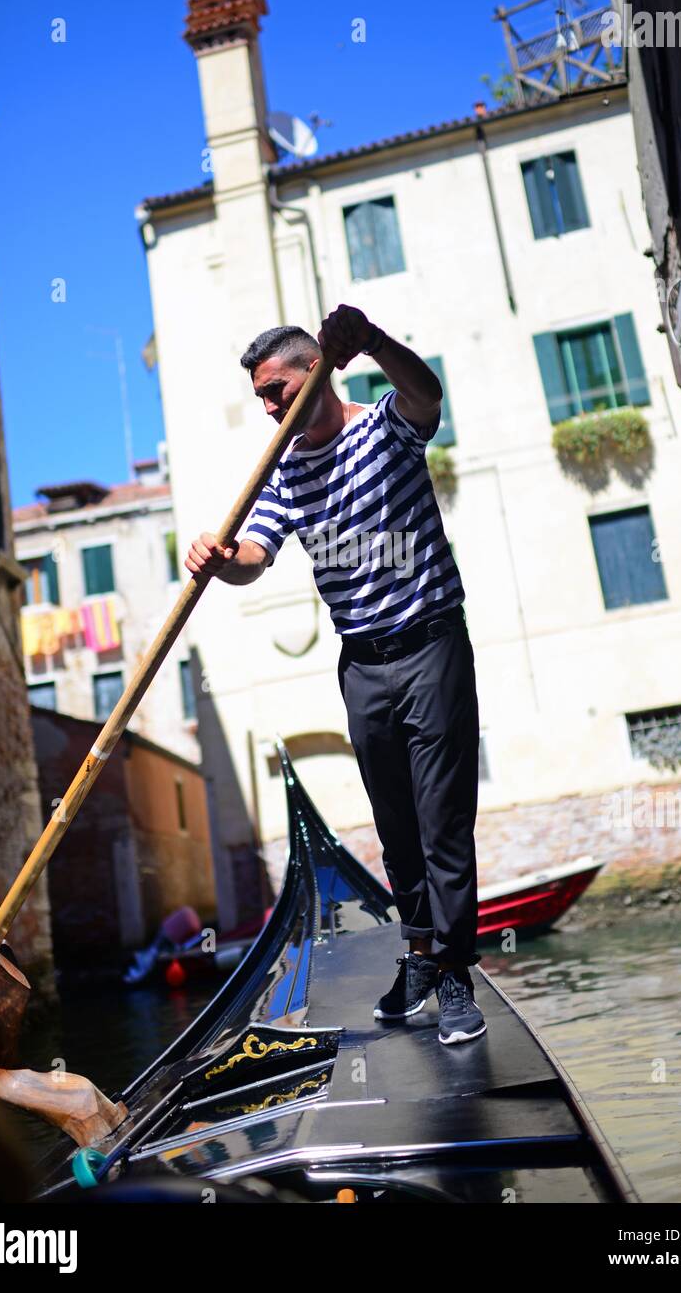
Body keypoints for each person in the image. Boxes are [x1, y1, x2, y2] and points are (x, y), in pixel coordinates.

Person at [186, 304, 485, 1045]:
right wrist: (221, 565)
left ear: (314, 371)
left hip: (430, 645)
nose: (266, 406)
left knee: (442, 821)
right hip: (362, 665)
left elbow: (428, 397)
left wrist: (375, 339)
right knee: (395, 828)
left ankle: (453, 978)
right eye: (259, 395)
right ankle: (418, 952)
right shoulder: (284, 470)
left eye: (274, 388)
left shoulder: (383, 426)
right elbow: (256, 556)